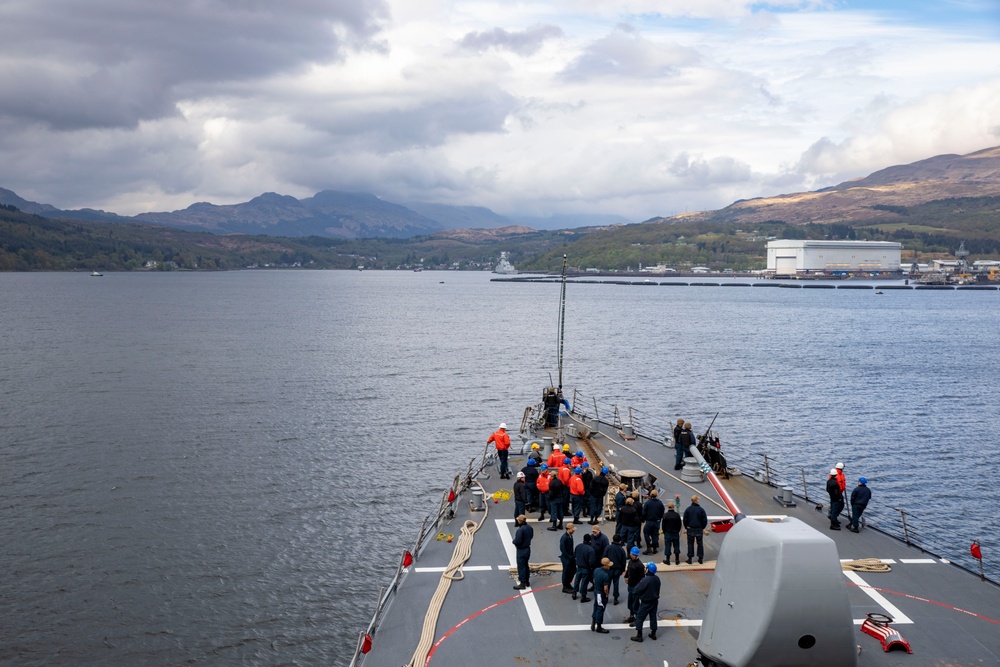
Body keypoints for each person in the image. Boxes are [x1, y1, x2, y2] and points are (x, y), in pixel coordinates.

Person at [631, 562, 661, 642]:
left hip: (646, 602)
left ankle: (639, 635)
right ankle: (653, 633)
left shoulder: (645, 580)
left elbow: (637, 590)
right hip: (654, 601)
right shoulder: (657, 579)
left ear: (648, 570)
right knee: (653, 617)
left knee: (640, 617)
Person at [683, 495, 708, 564]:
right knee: (700, 544)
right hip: (699, 529)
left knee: (690, 544)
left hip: (690, 528)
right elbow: (704, 520)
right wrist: (702, 527)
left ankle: (690, 558)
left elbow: (685, 520)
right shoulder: (701, 510)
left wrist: (686, 527)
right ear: (696, 500)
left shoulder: (688, 509)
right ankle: (700, 558)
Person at [572, 533, 596, 602]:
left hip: (579, 567)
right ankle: (583, 596)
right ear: (590, 540)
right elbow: (592, 561)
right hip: (586, 568)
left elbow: (575, 555)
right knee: (584, 582)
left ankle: (574, 592)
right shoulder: (590, 549)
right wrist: (591, 567)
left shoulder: (578, 546)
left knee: (577, 580)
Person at [512, 514, 533, 590]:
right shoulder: (529, 528)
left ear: (520, 521)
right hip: (527, 549)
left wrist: (514, 542)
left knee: (521, 566)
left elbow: (518, 540)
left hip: (521, 550)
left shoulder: (520, 530)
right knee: (526, 565)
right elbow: (531, 536)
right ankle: (527, 581)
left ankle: (522, 583)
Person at [591, 557, 612, 633]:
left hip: (596, 591)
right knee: (600, 608)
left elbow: (593, 579)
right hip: (601, 593)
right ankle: (599, 626)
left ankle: (593, 622)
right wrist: (606, 594)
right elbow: (605, 588)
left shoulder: (596, 570)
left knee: (596, 606)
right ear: (606, 565)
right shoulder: (605, 575)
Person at [624, 546, 644, 624]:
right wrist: (626, 577)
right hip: (630, 585)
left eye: (632, 554)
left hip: (636, 586)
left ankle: (637, 618)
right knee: (630, 602)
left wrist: (639, 588)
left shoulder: (640, 565)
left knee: (636, 603)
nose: (631, 555)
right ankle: (632, 616)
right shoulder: (630, 561)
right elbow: (628, 570)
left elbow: (642, 578)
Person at [642, 489, 665, 554]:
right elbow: (662, 512)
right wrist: (659, 518)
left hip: (649, 521)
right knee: (655, 534)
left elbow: (644, 512)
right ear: (657, 495)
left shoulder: (648, 503)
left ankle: (648, 547)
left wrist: (643, 519)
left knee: (646, 533)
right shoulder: (660, 503)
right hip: (657, 521)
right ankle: (655, 548)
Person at [606, 534, 627, 605]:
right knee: (616, 583)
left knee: (607, 583)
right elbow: (623, 561)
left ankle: (606, 596)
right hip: (617, 569)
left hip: (609, 569)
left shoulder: (608, 547)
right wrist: (622, 570)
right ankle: (615, 598)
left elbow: (604, 557)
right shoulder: (621, 550)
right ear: (620, 541)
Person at [660, 501, 682, 566]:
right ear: (673, 507)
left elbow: (663, 525)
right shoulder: (677, 515)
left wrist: (664, 531)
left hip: (668, 533)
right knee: (676, 546)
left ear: (668, 507)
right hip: (675, 533)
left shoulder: (665, 515)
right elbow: (679, 524)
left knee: (668, 546)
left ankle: (668, 560)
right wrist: (677, 530)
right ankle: (677, 559)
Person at [559, 523, 577, 593]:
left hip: (571, 557)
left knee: (573, 570)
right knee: (566, 572)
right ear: (568, 529)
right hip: (566, 558)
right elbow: (562, 549)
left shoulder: (570, 536)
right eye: (572, 530)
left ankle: (568, 583)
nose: (573, 531)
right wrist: (568, 557)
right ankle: (565, 586)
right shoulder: (564, 538)